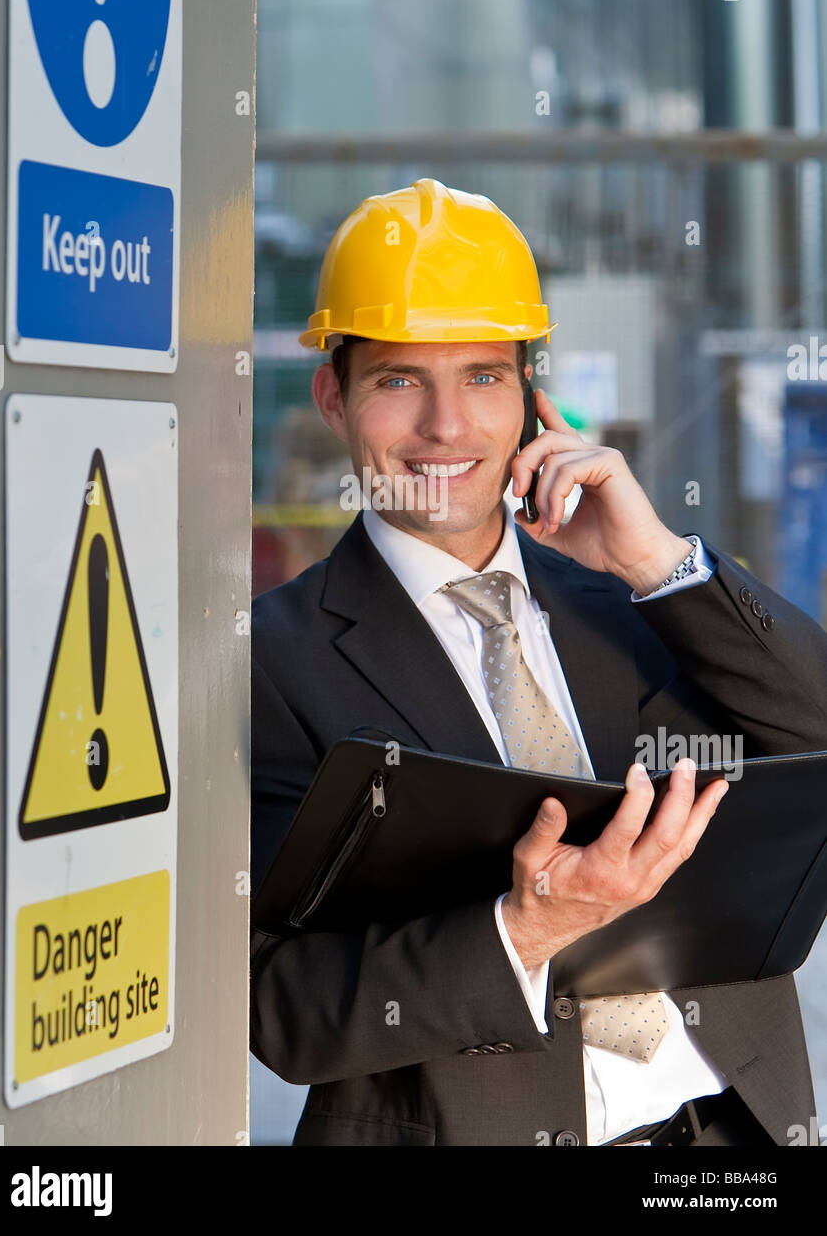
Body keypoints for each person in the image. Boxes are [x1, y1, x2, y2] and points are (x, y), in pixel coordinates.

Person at [251, 177, 827, 1147]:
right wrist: (524, 931)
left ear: (530, 397)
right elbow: (281, 1010)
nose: (446, 426)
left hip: (731, 1132)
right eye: (398, 379)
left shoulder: (646, 607)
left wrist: (655, 561)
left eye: (482, 376)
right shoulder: (267, 661)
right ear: (332, 396)